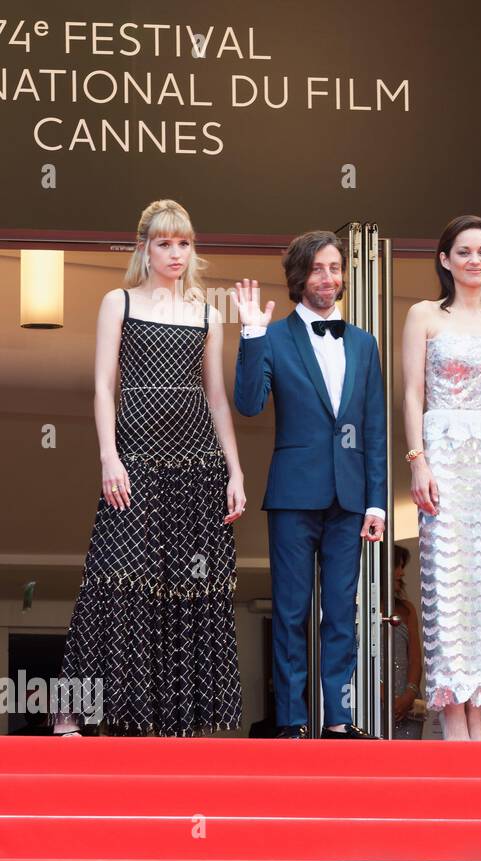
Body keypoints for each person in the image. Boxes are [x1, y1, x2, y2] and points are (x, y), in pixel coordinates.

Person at [54, 199, 244, 737]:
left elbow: (218, 399)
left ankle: (171, 720)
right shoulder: (118, 301)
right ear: (144, 247)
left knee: (187, 583)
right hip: (134, 460)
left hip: (196, 466)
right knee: (113, 577)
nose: (175, 253)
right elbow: (101, 387)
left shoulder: (207, 311)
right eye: (164, 243)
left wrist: (234, 471)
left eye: (183, 242)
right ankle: (74, 709)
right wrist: (108, 456)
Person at [234, 231, 387, 739]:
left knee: (342, 613)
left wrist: (378, 502)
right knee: (292, 612)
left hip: (350, 499)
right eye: (319, 268)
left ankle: (339, 720)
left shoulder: (364, 343)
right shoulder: (274, 336)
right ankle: (293, 721)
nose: (330, 278)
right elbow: (249, 403)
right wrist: (252, 337)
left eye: (337, 268)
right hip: (294, 496)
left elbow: (373, 428)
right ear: (300, 277)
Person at [403, 215, 481, 741]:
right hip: (445, 461)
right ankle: (454, 712)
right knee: (448, 582)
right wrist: (418, 459)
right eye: (464, 251)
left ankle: (480, 709)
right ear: (445, 259)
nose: (475, 259)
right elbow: (411, 392)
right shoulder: (424, 315)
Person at [389, 545, 424, 739]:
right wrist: (385, 697)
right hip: (373, 703)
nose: (401, 573)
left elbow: (415, 660)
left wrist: (409, 695)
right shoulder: (361, 608)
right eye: (397, 566)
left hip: (408, 707)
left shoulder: (407, 609)